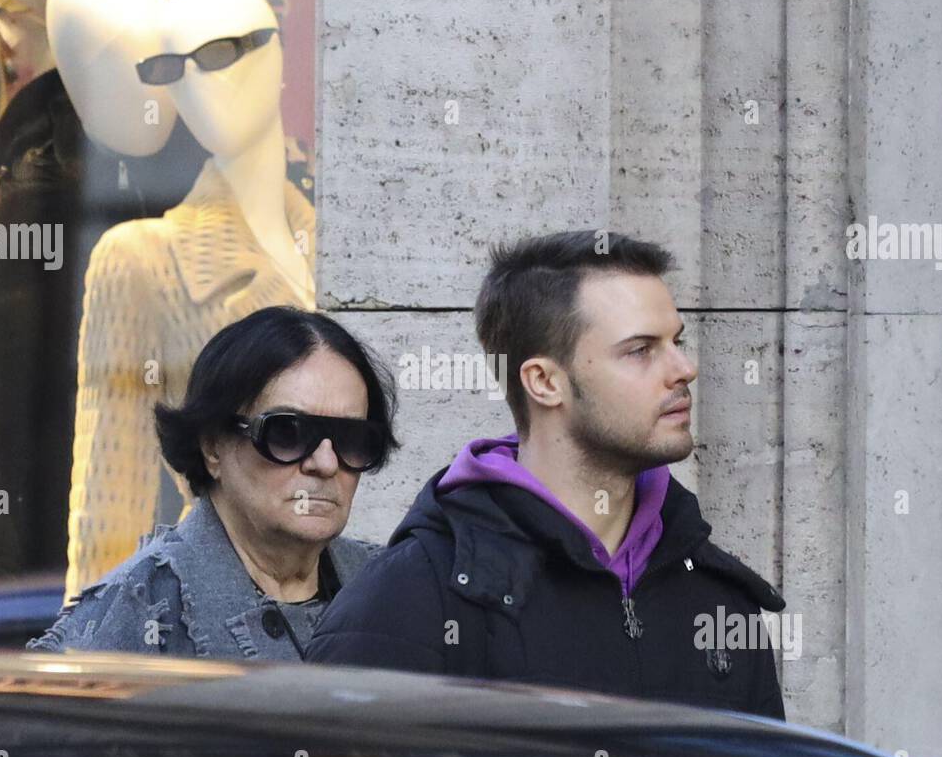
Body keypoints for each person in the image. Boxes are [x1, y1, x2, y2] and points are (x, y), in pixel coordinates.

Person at [307, 231, 787, 719]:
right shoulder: (410, 602)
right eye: (640, 350)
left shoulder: (719, 601)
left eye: (676, 342)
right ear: (544, 382)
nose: (685, 368)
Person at [28, 307, 396, 660]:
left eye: (351, 439)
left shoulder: (392, 587)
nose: (326, 463)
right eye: (287, 433)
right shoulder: (139, 611)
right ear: (213, 447)